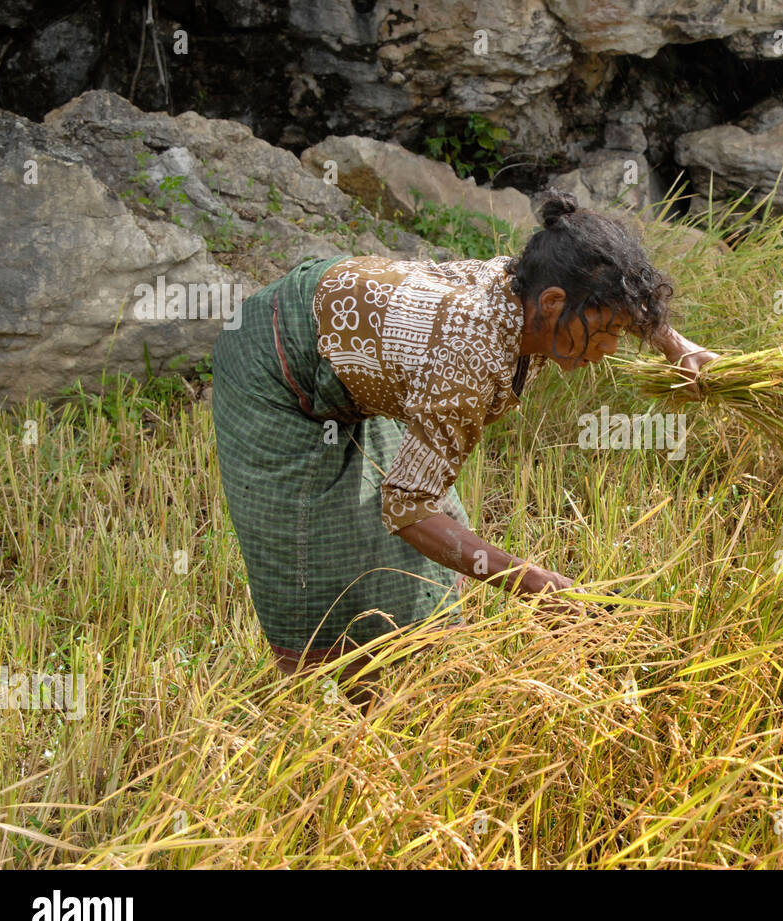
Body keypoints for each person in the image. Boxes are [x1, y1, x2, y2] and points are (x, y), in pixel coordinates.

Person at [211, 190, 719, 697]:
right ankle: (332, 711)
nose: (608, 351)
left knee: (412, 550)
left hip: (354, 342)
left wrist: (676, 345)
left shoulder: (530, 282)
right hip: (271, 362)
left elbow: (621, 294)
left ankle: (413, 685)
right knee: (315, 550)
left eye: (620, 332)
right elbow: (408, 509)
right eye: (605, 332)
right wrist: (537, 586)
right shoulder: (467, 361)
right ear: (553, 304)